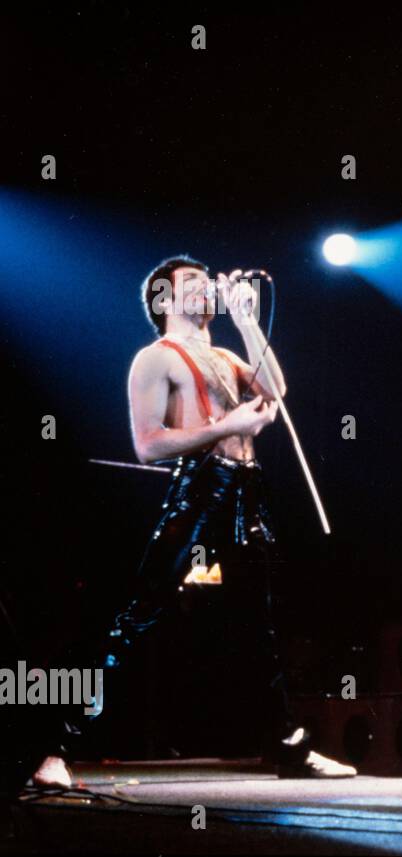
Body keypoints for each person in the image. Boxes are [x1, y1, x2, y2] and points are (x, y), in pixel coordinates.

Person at [24, 256, 355, 789]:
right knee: (138, 618)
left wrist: (247, 323)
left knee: (260, 626)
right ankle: (51, 747)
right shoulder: (156, 358)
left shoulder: (225, 354)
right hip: (200, 489)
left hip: (246, 489)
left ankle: (289, 748)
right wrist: (227, 425)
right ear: (164, 300)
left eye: (207, 282)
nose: (207, 289)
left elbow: (276, 390)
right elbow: (148, 444)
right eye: (192, 283)